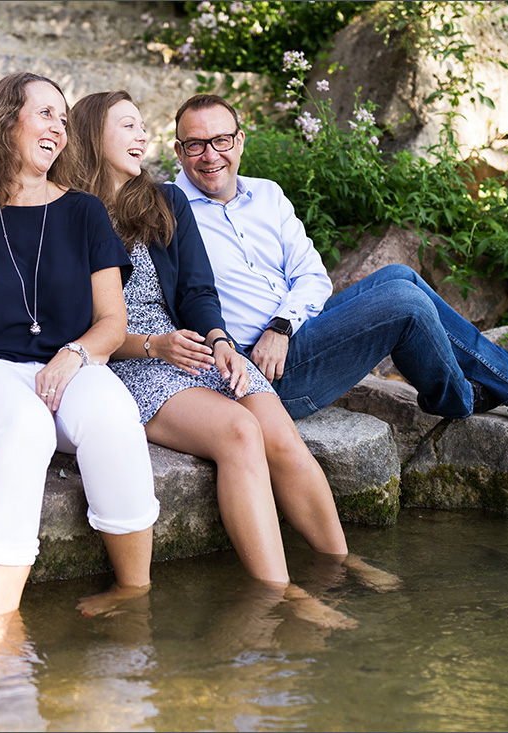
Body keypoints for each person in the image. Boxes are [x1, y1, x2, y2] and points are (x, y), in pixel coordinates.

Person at [66, 90, 399, 621]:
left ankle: (339, 562)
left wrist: (220, 341)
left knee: (280, 434)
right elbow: (71, 325)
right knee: (241, 433)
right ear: (92, 136)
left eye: (141, 125)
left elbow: (197, 290)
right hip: (124, 360)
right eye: (128, 125)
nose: (142, 135)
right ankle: (282, 593)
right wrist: (153, 345)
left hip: (190, 344)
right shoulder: (65, 213)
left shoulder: (163, 201)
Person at [0, 73, 161, 682]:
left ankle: (134, 593)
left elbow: (112, 322)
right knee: (25, 427)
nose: (59, 128)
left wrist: (75, 354)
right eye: (45, 113)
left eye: (64, 119)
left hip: (70, 362)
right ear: (4, 120)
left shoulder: (85, 212)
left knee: (113, 415)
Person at [172, 94, 508, 423]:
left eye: (221, 140)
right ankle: (462, 398)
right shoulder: (168, 213)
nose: (211, 155)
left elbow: (313, 277)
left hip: (292, 335)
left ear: (240, 141)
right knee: (403, 302)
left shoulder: (267, 194)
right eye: (195, 145)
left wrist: (281, 326)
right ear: (178, 151)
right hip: (264, 375)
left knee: (399, 275)